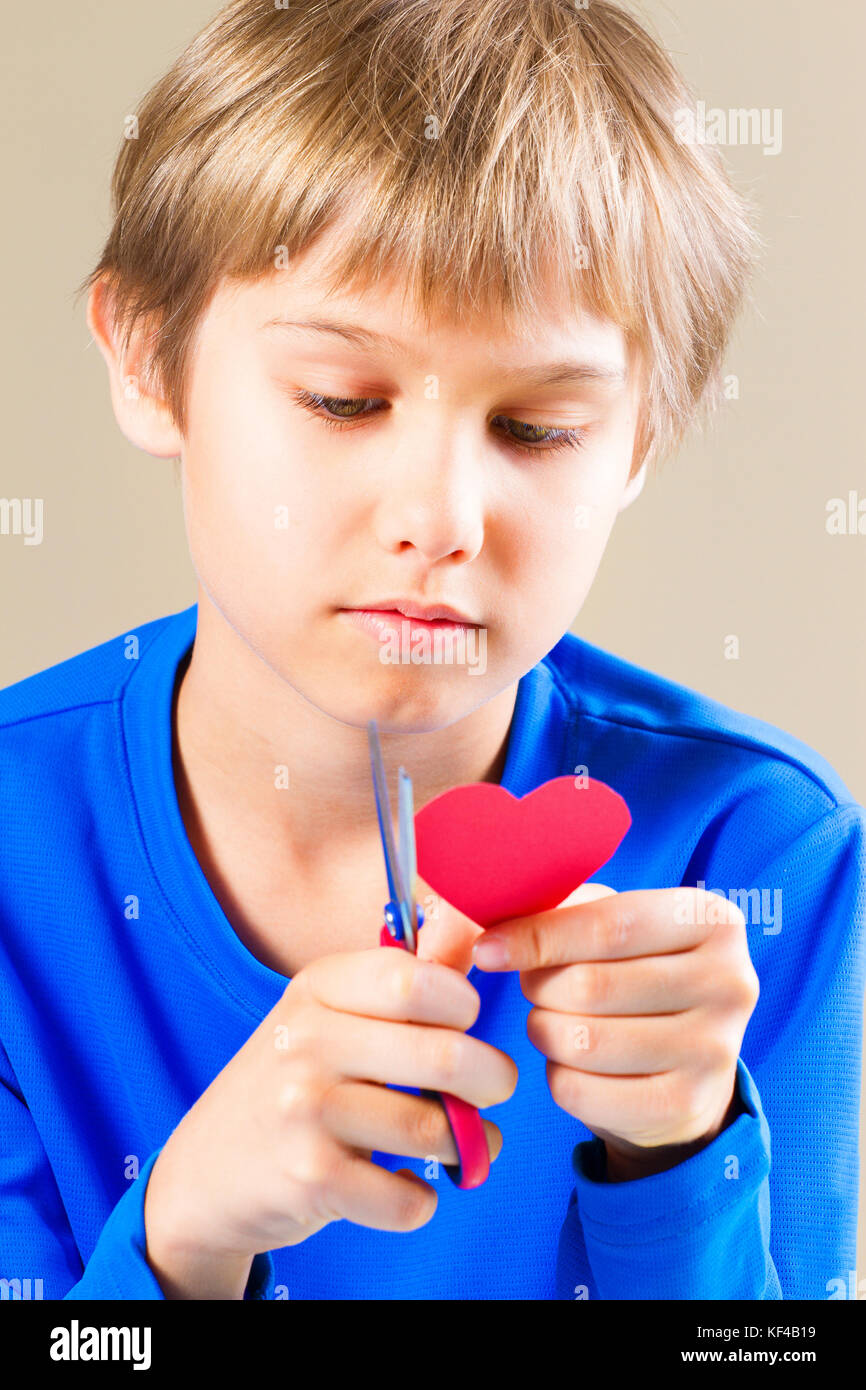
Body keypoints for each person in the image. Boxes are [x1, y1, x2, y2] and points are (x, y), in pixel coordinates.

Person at [1, 0, 862, 1300]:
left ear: (637, 444)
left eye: (534, 428)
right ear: (144, 360)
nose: (440, 521)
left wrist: (681, 1158)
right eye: (343, 400)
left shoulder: (757, 855)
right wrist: (178, 1240)